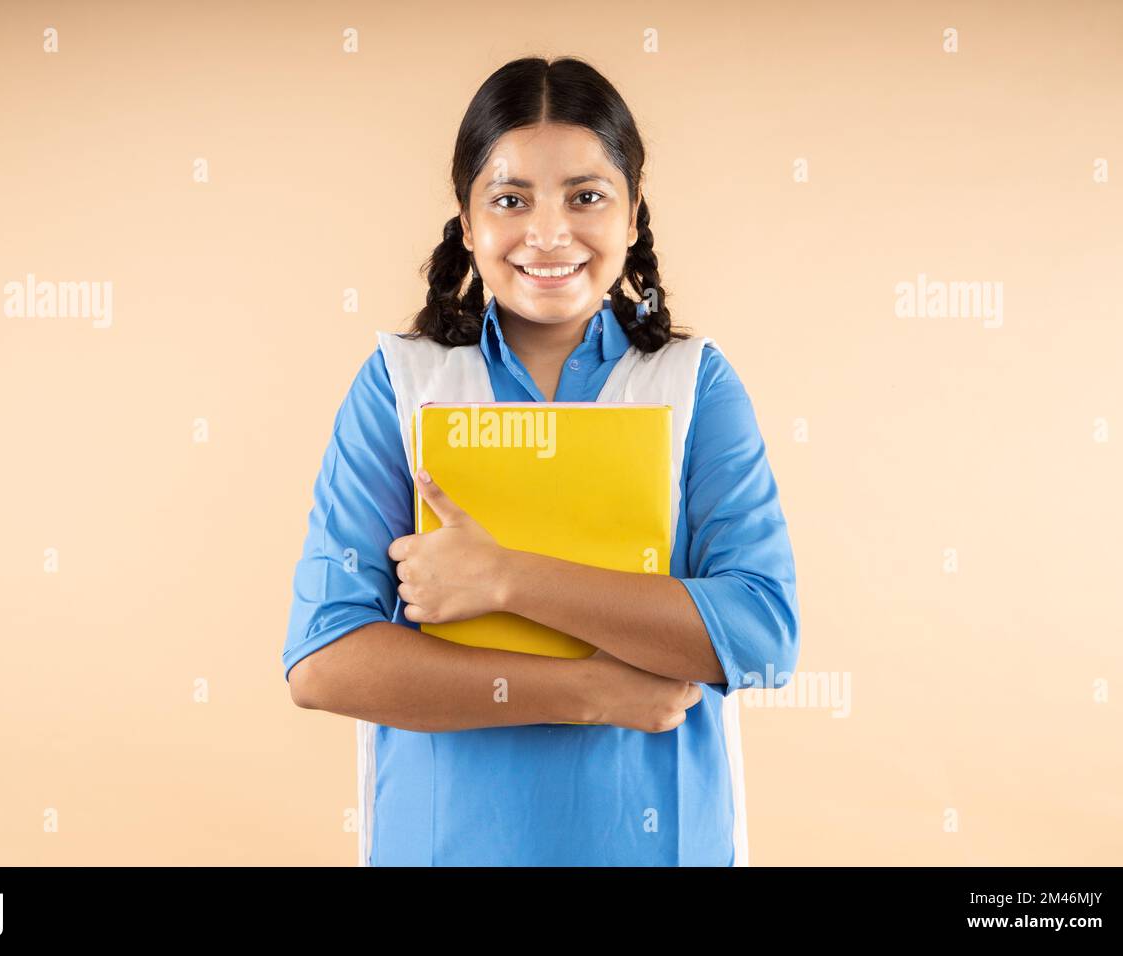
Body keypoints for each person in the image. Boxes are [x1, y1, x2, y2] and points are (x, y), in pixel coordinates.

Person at [283, 55, 800, 866]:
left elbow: (762, 637)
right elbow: (323, 662)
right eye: (510, 199)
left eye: (587, 196)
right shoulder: (402, 383)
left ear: (633, 217)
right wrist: (586, 694)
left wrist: (504, 579)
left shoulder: (693, 385)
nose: (548, 234)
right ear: (467, 219)